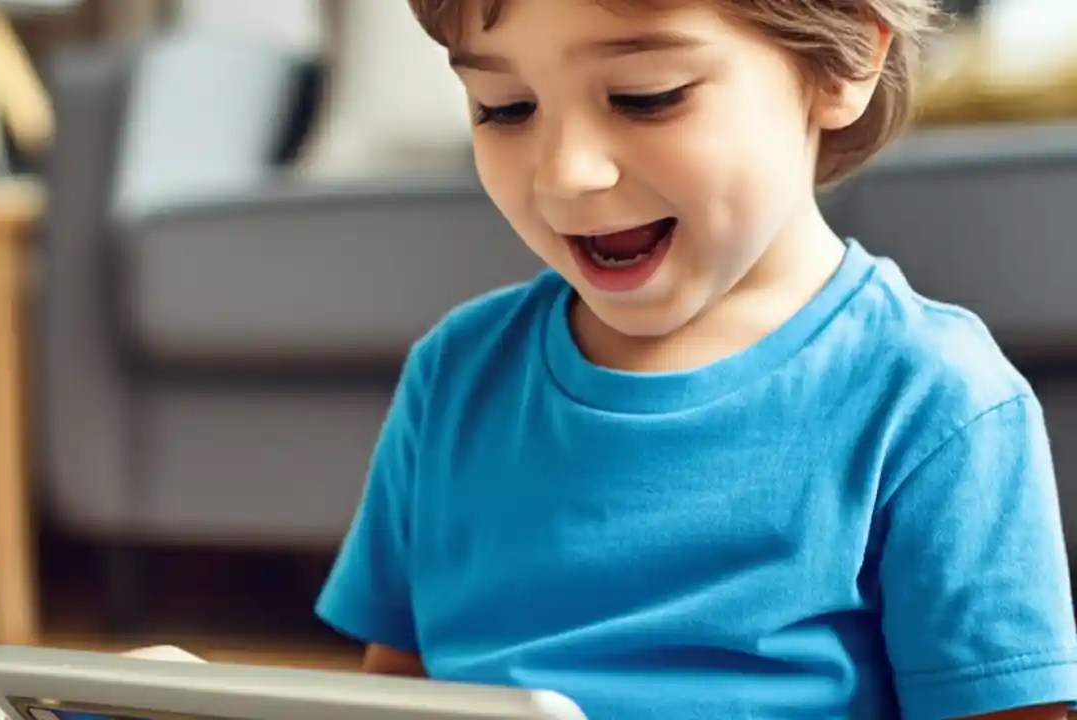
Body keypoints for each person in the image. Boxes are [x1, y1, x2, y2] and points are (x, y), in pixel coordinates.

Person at [306, 0, 1077, 718]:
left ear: (842, 70)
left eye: (647, 95)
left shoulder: (935, 398)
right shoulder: (455, 375)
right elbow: (396, 698)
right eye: (504, 107)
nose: (567, 172)